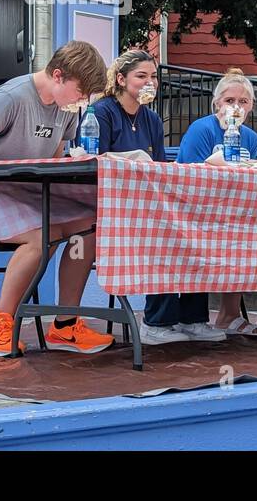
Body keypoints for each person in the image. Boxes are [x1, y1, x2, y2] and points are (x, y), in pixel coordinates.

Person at [0, 41, 113, 357]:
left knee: (91, 225)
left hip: (27, 197)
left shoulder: (67, 110)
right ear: (59, 76)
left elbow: (52, 162)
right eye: (81, 93)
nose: (83, 102)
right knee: (44, 236)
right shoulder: (11, 98)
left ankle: (64, 327)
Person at [89, 50, 225, 345]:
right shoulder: (102, 112)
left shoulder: (151, 119)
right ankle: (157, 322)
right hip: (113, 203)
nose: (149, 82)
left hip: (149, 201)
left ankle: (192, 319)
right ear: (122, 79)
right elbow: (94, 162)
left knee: (192, 228)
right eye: (142, 76)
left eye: (154, 77)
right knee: (165, 232)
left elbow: (161, 169)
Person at [176, 68, 257, 338]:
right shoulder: (202, 129)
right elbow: (191, 176)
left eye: (242, 102)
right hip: (199, 211)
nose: (235, 107)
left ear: (251, 107)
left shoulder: (251, 138)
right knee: (238, 235)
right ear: (217, 103)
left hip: (238, 210)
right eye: (229, 101)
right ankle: (228, 314)